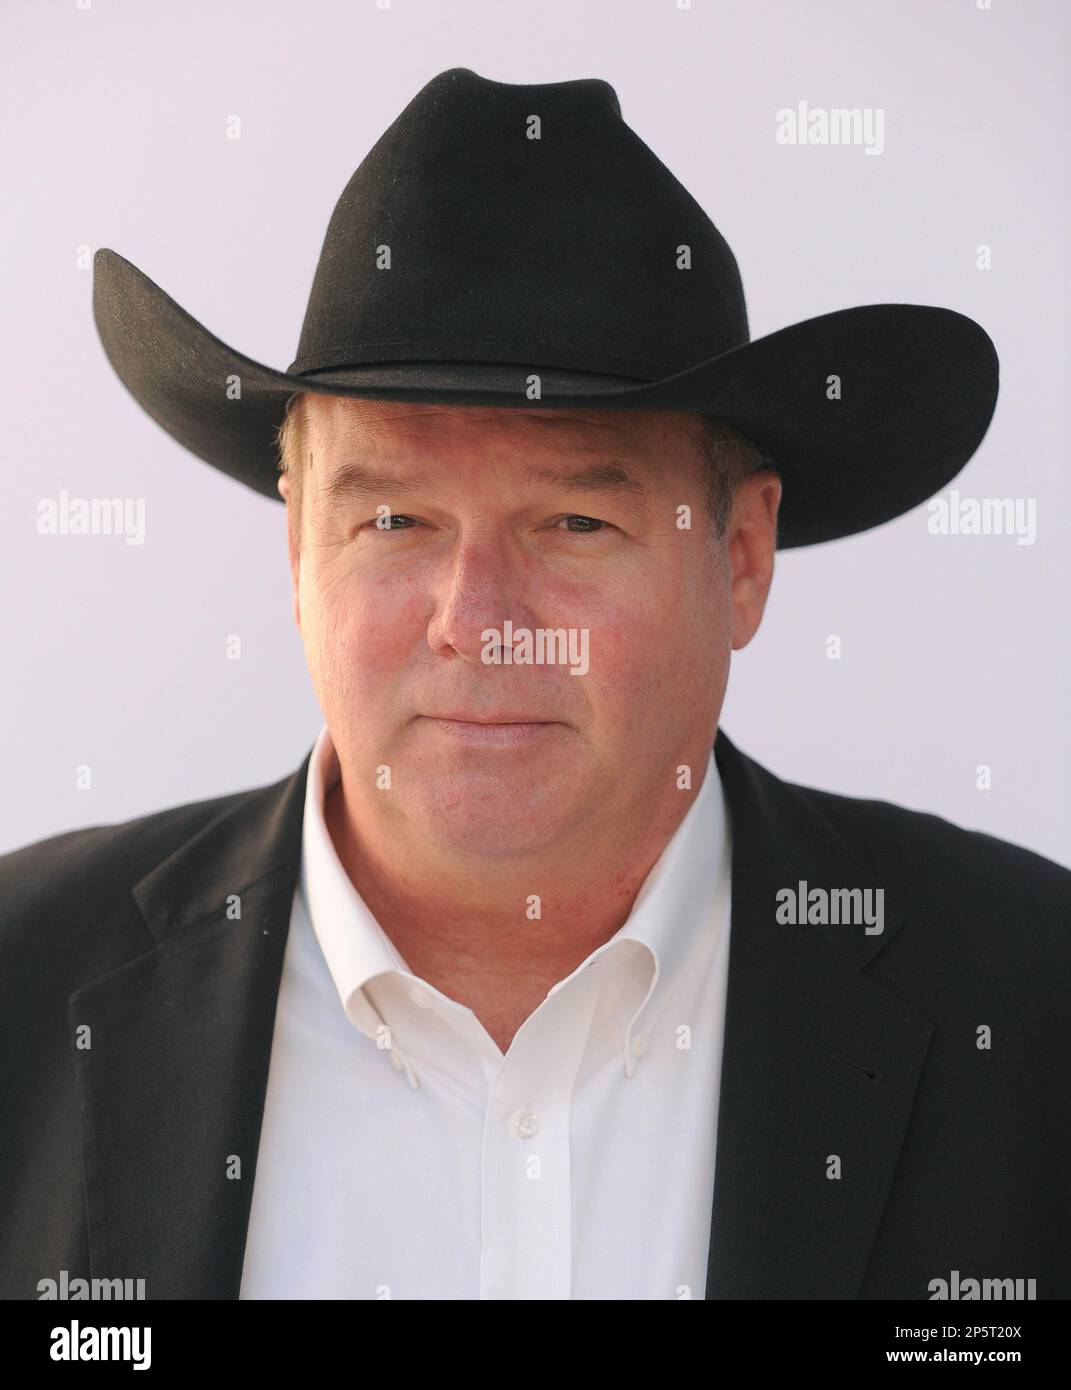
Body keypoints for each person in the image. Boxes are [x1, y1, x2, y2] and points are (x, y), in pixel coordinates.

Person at [2, 67, 1067, 1301]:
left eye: (573, 522)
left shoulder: (1036, 1010)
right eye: (396, 517)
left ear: (741, 557)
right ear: (298, 551)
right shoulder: (25, 992)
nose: (481, 624)